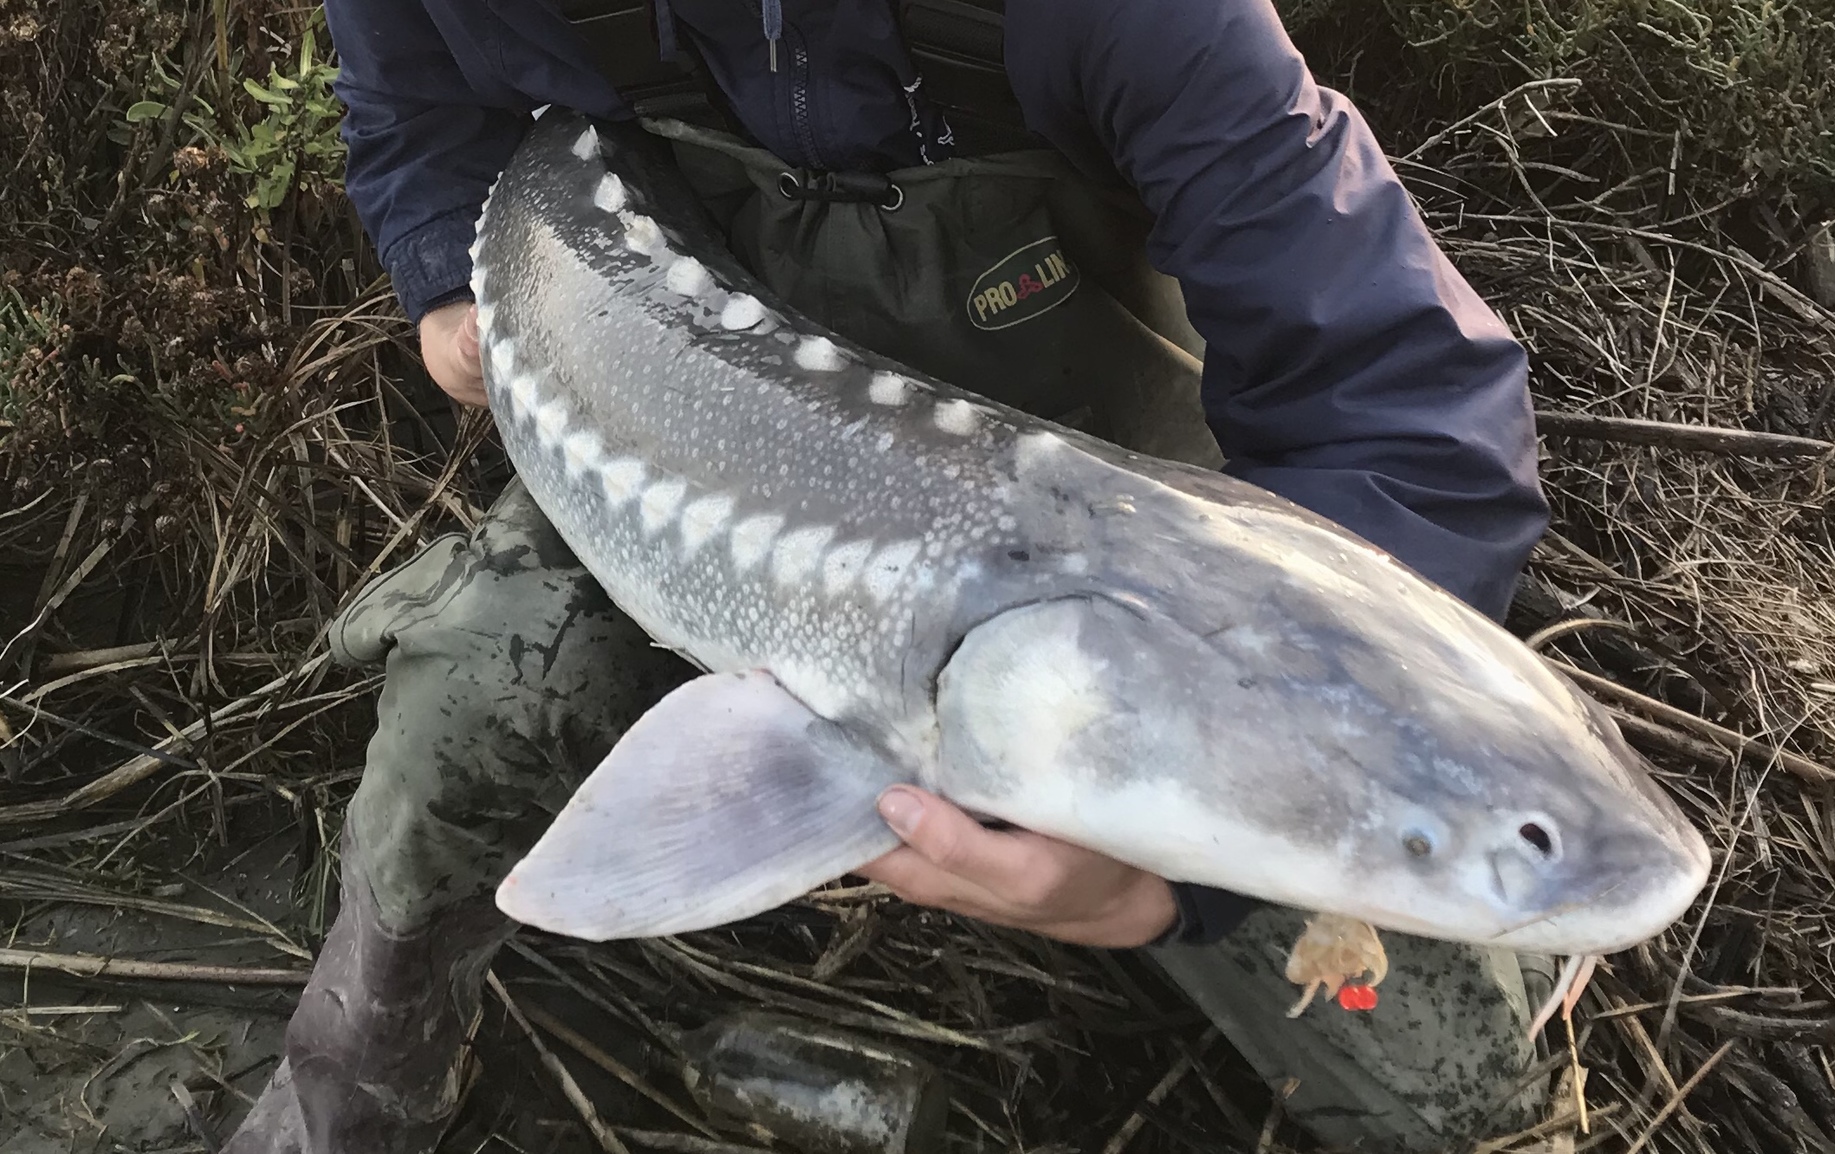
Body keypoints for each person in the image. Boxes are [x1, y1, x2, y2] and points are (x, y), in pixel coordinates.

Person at [223, 0, 1556, 1150]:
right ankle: (360, 1062)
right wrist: (445, 275)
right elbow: (409, 99)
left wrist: (1172, 881)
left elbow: (1407, 405)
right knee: (464, 719)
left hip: (1112, 497)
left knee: (1446, 1086)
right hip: (703, 409)